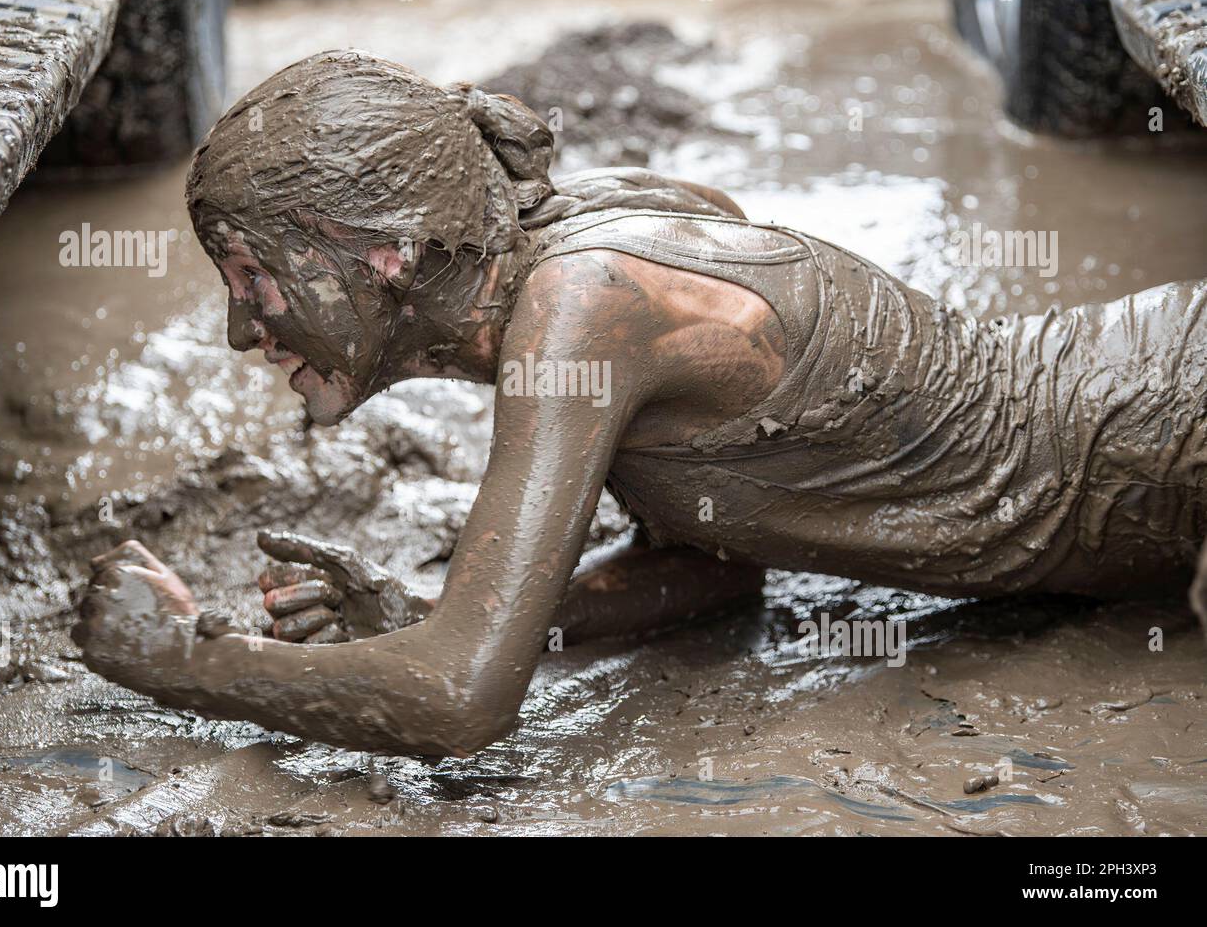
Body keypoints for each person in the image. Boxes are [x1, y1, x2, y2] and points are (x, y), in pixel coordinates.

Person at [72, 51, 1207, 757]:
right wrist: (421, 606)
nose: (239, 328)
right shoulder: (589, 255)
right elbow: (715, 565)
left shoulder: (585, 306)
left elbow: (458, 701)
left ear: (383, 258)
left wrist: (189, 664)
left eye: (252, 279)